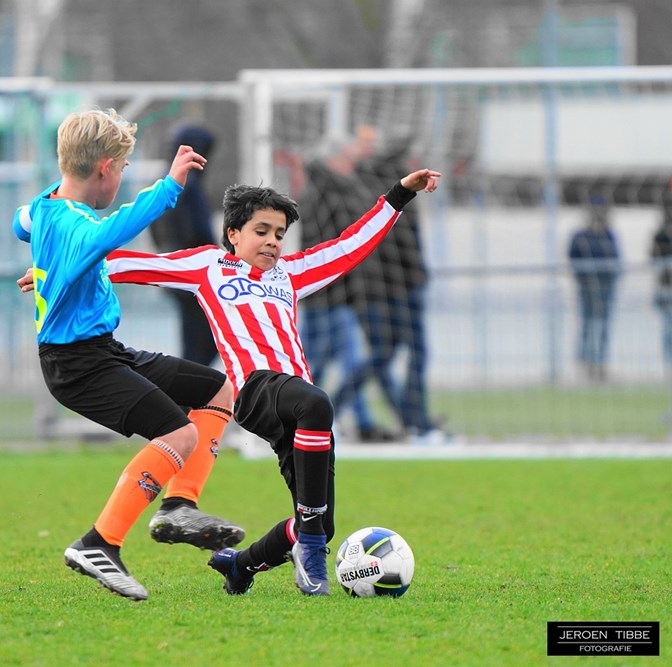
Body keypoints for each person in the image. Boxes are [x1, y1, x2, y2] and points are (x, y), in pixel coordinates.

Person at [102, 168, 441, 596]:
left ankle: (240, 566)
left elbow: (352, 245)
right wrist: (51, 276)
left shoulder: (291, 273)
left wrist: (398, 195)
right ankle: (312, 553)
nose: (272, 241)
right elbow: (127, 264)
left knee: (316, 519)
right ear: (233, 234)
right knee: (318, 405)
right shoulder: (208, 266)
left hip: (297, 408)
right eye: (261, 231)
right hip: (256, 391)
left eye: (279, 234)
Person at [12, 109, 242, 602]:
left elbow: (21, 223)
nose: (121, 179)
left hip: (103, 351)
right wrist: (169, 186)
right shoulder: (76, 223)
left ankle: (179, 507)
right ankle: (99, 543)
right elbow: (109, 234)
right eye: (122, 169)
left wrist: (50, 272)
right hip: (78, 364)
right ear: (105, 170)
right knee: (178, 433)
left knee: (218, 388)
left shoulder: (45, 206)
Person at [297, 129, 399, 443]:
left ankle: (304, 417)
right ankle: (362, 423)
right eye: (345, 159)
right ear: (333, 159)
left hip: (324, 295)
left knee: (315, 363)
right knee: (347, 360)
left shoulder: (320, 190)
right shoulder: (327, 194)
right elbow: (333, 249)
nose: (350, 165)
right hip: (330, 295)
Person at [342, 140, 447, 444]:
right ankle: (417, 424)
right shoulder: (392, 197)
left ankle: (415, 420)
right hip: (395, 290)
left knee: (387, 355)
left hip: (386, 289)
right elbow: (400, 247)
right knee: (399, 354)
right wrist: (418, 276)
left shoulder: (378, 190)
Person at [148, 123, 219, 366]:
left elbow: (153, 229)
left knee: (194, 341)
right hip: (195, 276)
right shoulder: (191, 187)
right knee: (205, 344)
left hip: (173, 273)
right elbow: (201, 233)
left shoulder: (163, 186)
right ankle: (187, 398)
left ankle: (188, 397)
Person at [568, 195, 621, 382]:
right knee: (587, 326)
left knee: (603, 327)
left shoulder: (609, 236)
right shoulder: (580, 237)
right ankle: (586, 366)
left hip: (605, 291)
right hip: (587, 291)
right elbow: (573, 261)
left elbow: (615, 262)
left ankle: (600, 365)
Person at [650, 188, 672, 372]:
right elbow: (653, 257)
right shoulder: (659, 234)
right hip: (666, 287)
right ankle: (668, 366)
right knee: (668, 329)